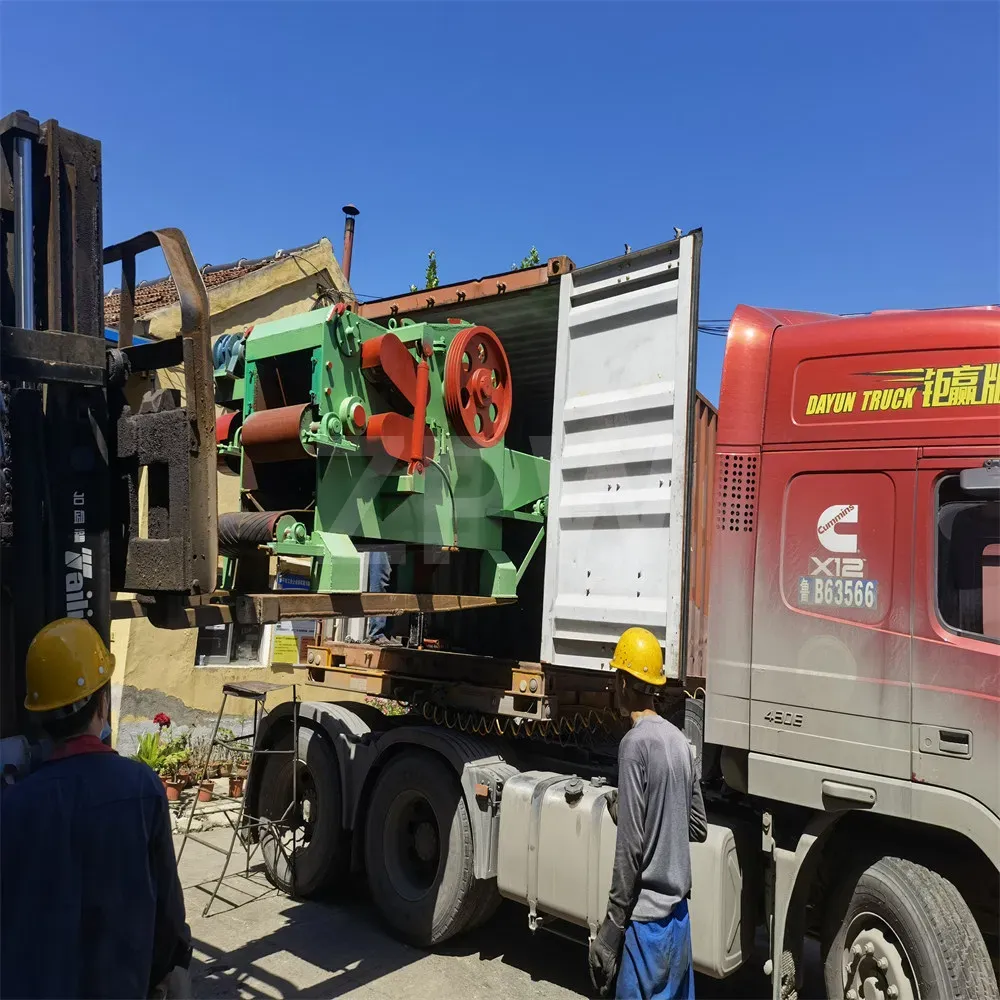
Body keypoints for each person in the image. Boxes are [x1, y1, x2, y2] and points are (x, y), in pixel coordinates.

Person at [0, 618, 192, 999]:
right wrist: (168, 970)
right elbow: (168, 917)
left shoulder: (14, 805)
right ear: (102, 702)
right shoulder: (143, 790)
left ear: (39, 713)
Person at [589, 627, 708, 1000]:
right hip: (678, 922)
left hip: (645, 928)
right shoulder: (679, 742)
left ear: (624, 683)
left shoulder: (633, 745)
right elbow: (697, 826)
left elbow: (630, 849)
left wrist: (612, 926)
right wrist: (635, 811)